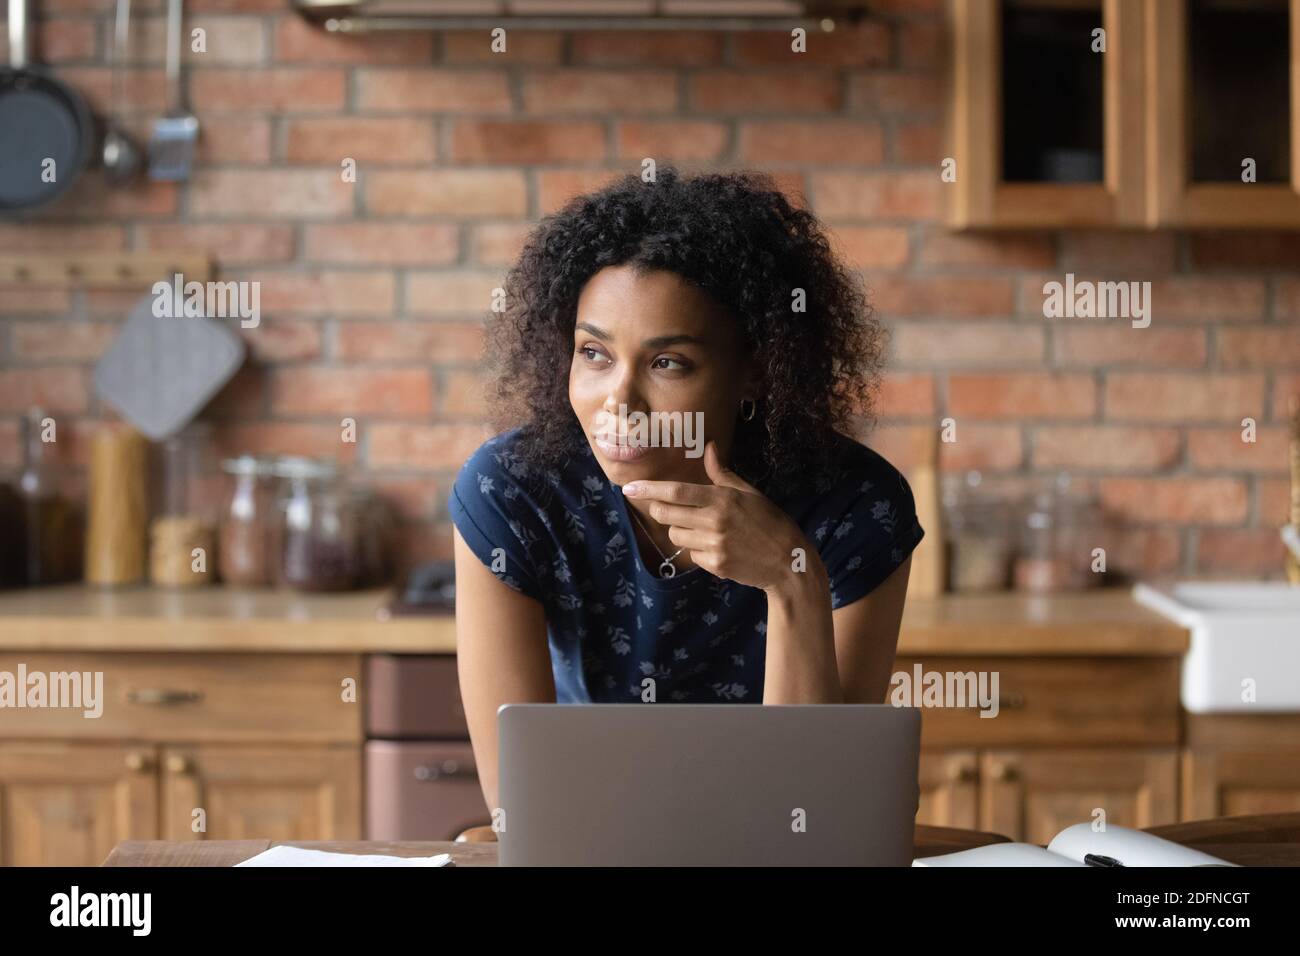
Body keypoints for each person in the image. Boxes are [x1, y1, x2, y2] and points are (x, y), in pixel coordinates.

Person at [449, 168, 924, 813]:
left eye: (668, 363)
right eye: (595, 353)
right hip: (590, 839)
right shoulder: (512, 492)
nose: (619, 399)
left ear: (755, 372)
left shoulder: (857, 506)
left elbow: (816, 809)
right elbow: (517, 801)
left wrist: (792, 582)